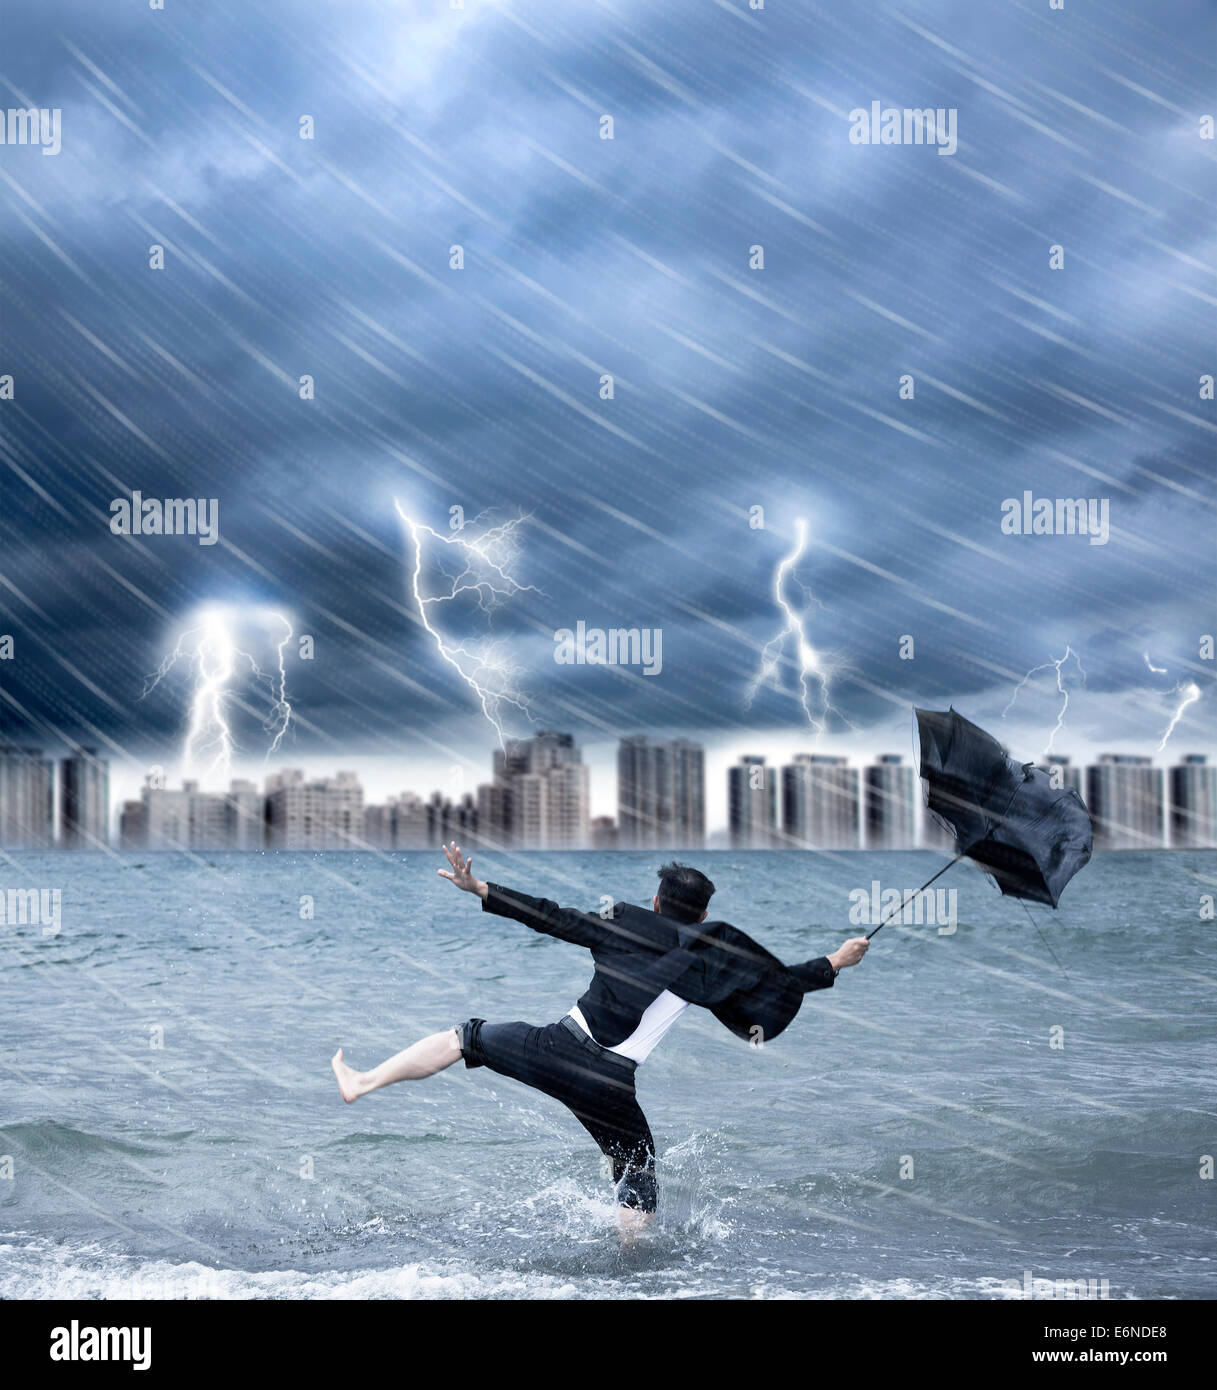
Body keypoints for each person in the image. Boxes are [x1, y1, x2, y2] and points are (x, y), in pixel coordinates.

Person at [332, 842, 870, 1238]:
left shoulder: (623, 924)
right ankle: (631, 1269)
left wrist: (481, 889)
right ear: (703, 917)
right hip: (612, 1085)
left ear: (656, 903)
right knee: (639, 1176)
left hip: (556, 1048)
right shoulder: (708, 964)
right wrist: (836, 961)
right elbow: (777, 982)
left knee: (464, 1038)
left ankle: (363, 1082)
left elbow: (553, 918)